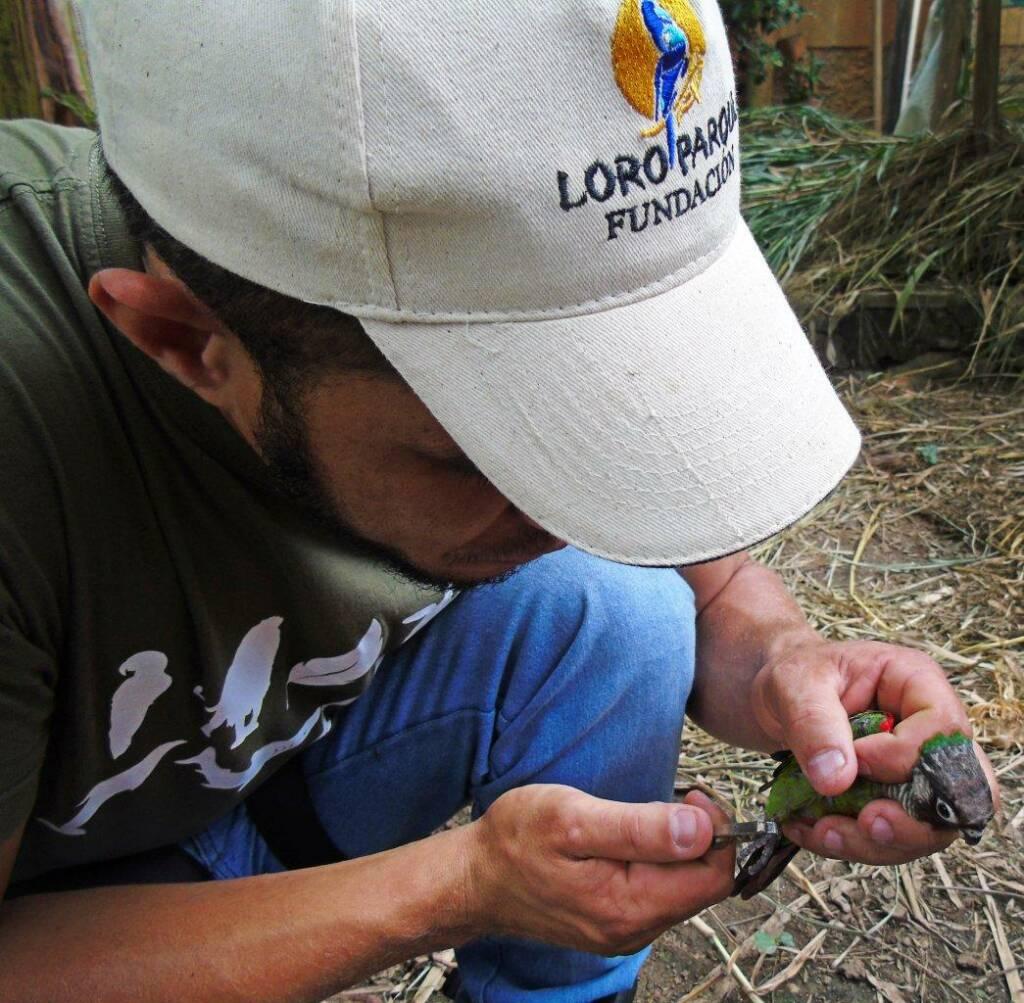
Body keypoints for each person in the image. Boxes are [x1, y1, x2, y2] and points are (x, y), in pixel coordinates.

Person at [0, 2, 995, 1001]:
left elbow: (713, 590)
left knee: (620, 610)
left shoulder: (464, 272)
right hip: (72, 920)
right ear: (185, 344)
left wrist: (787, 660)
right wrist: (454, 886)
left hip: (250, 793)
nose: (572, 508)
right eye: (486, 444)